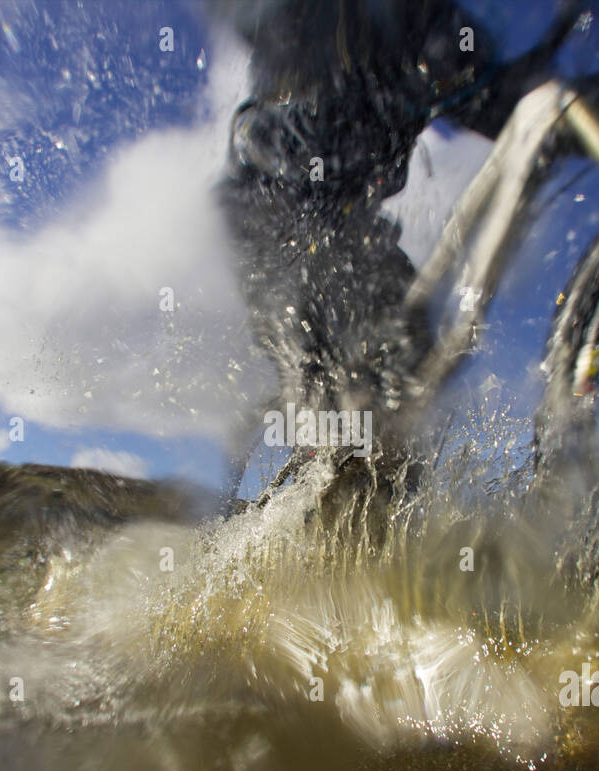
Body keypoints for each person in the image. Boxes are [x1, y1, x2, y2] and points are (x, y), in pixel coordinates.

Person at [214, 0, 578, 501]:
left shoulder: (432, 24)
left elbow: (496, 101)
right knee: (312, 361)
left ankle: (394, 499)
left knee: (408, 352)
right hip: (270, 220)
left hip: (352, 224)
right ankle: (309, 503)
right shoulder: (318, 22)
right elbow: (264, 122)